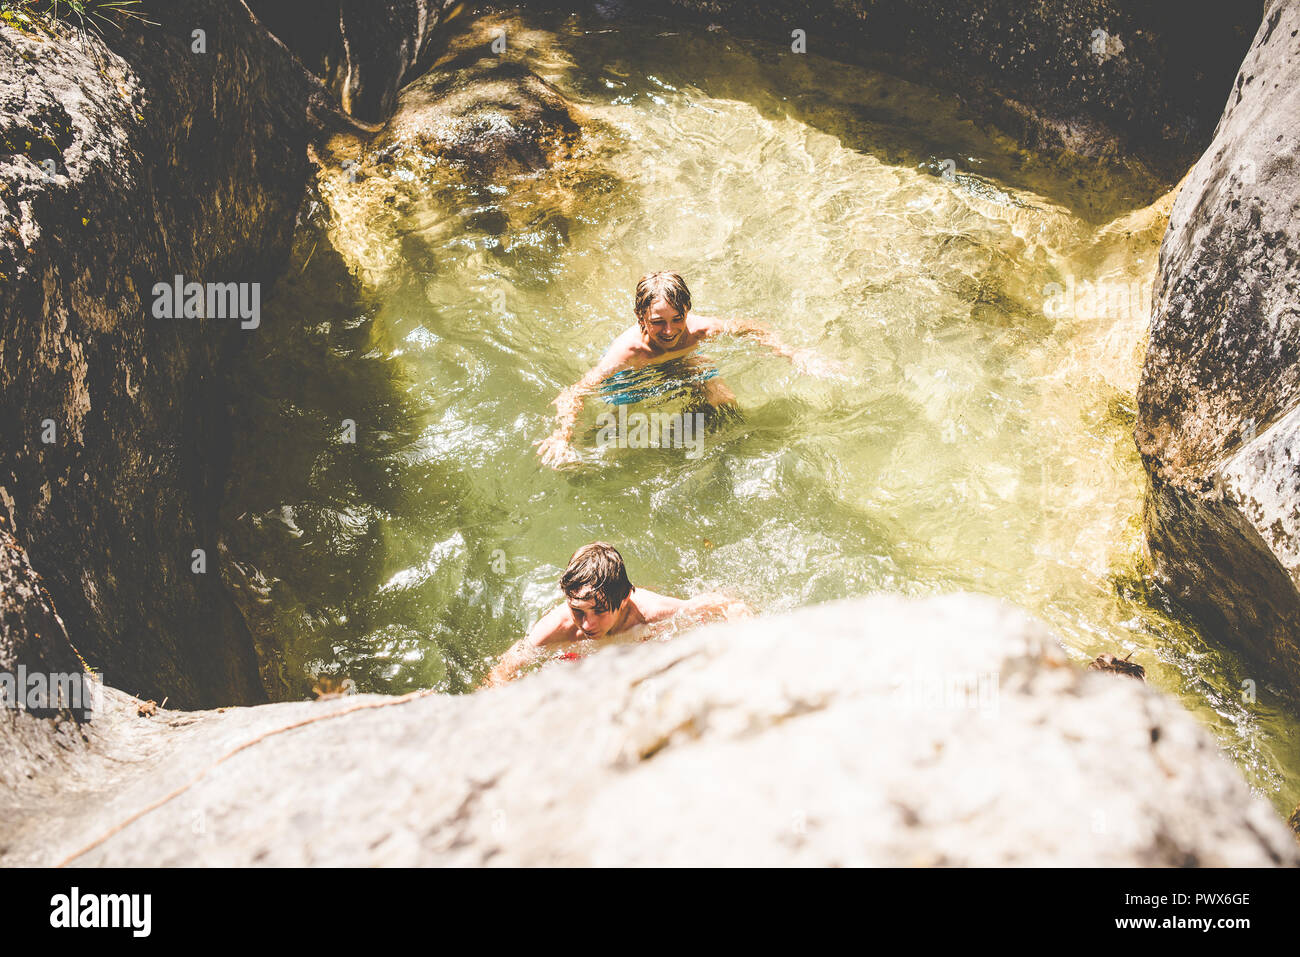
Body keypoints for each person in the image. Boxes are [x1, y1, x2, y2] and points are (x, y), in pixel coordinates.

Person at [536, 270, 842, 466]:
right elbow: (574, 392)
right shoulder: (626, 353)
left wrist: (793, 353)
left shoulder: (698, 330)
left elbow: (750, 328)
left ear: (687, 311)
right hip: (635, 379)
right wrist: (561, 435)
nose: (670, 331)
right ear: (640, 317)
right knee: (621, 437)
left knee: (727, 407)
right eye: (658, 322)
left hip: (683, 364)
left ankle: (717, 453)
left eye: (677, 318)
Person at [480, 541, 751, 687]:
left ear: (624, 599)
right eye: (577, 611)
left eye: (598, 611)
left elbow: (727, 604)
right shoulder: (557, 628)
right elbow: (502, 671)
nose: (587, 624)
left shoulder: (650, 613)